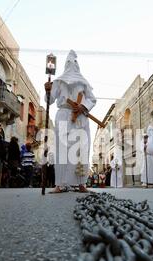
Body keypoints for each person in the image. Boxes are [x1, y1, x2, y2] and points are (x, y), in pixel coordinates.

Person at [44, 50, 97, 194]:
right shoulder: (58, 81)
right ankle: (60, 184)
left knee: (81, 150)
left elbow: (92, 99)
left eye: (73, 62)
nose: (71, 65)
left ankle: (81, 184)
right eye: (69, 63)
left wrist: (83, 106)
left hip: (80, 117)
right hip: (63, 115)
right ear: (65, 65)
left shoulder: (84, 83)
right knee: (62, 150)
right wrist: (47, 91)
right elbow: (49, 101)